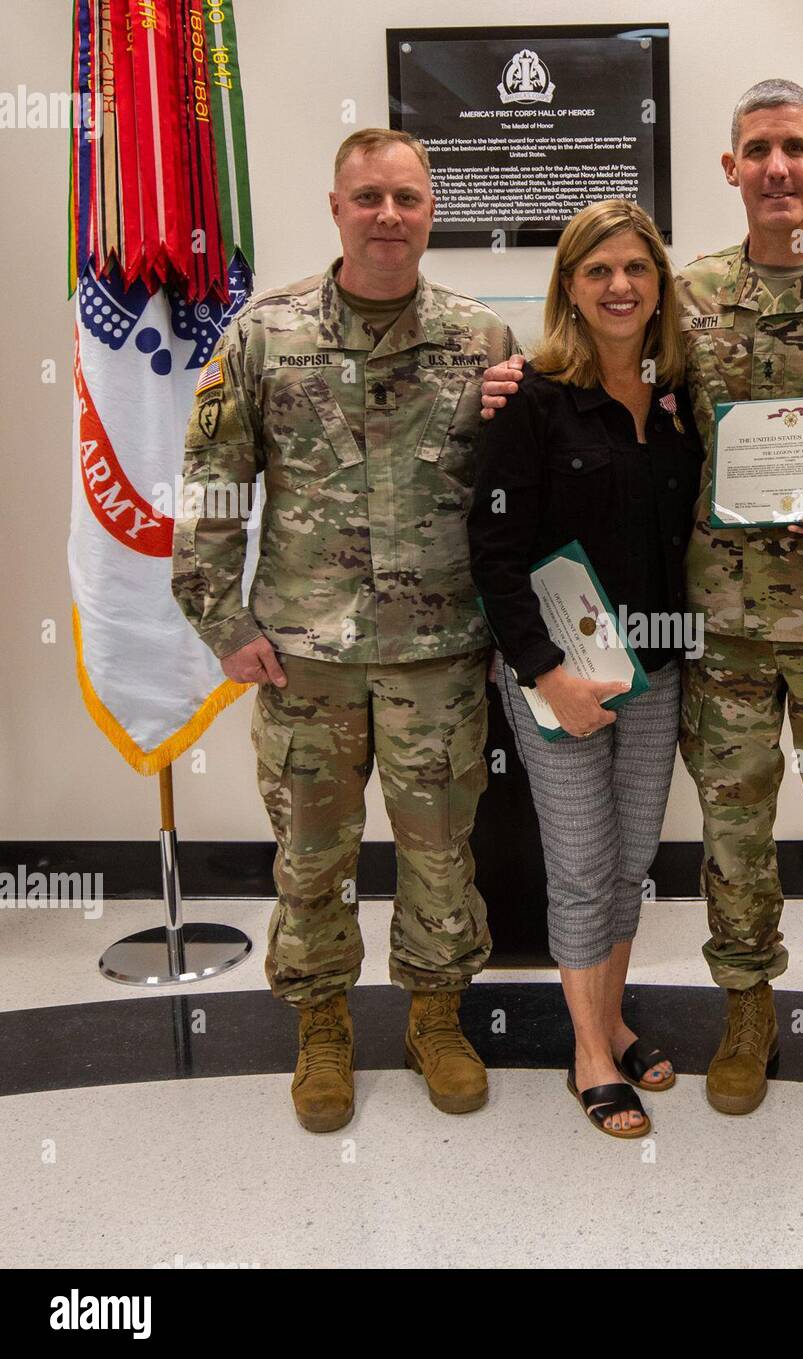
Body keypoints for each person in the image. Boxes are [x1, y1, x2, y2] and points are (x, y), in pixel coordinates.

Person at [483, 80, 803, 1127]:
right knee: (731, 838)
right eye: (756, 149)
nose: (776, 168)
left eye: (794, 149)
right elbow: (597, 393)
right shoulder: (694, 300)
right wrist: (505, 386)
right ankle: (748, 1013)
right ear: (729, 169)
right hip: (715, 630)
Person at [172, 128, 515, 1133]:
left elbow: (515, 497)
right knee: (311, 858)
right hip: (302, 660)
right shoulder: (263, 334)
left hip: (438, 654)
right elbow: (213, 485)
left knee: (443, 854)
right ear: (335, 208)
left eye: (406, 198)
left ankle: (436, 1016)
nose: (388, 216)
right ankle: (321, 1024)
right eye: (368, 197)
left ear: (431, 211)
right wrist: (220, 620)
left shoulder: (480, 340)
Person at [469, 200, 702, 1139]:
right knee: (581, 861)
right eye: (599, 270)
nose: (620, 286)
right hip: (556, 672)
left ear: (659, 287)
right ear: (570, 284)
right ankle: (591, 1055)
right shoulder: (529, 398)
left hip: (656, 664)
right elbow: (492, 550)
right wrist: (544, 673)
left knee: (633, 858)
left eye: (636, 270)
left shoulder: (680, 399)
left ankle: (611, 1013)